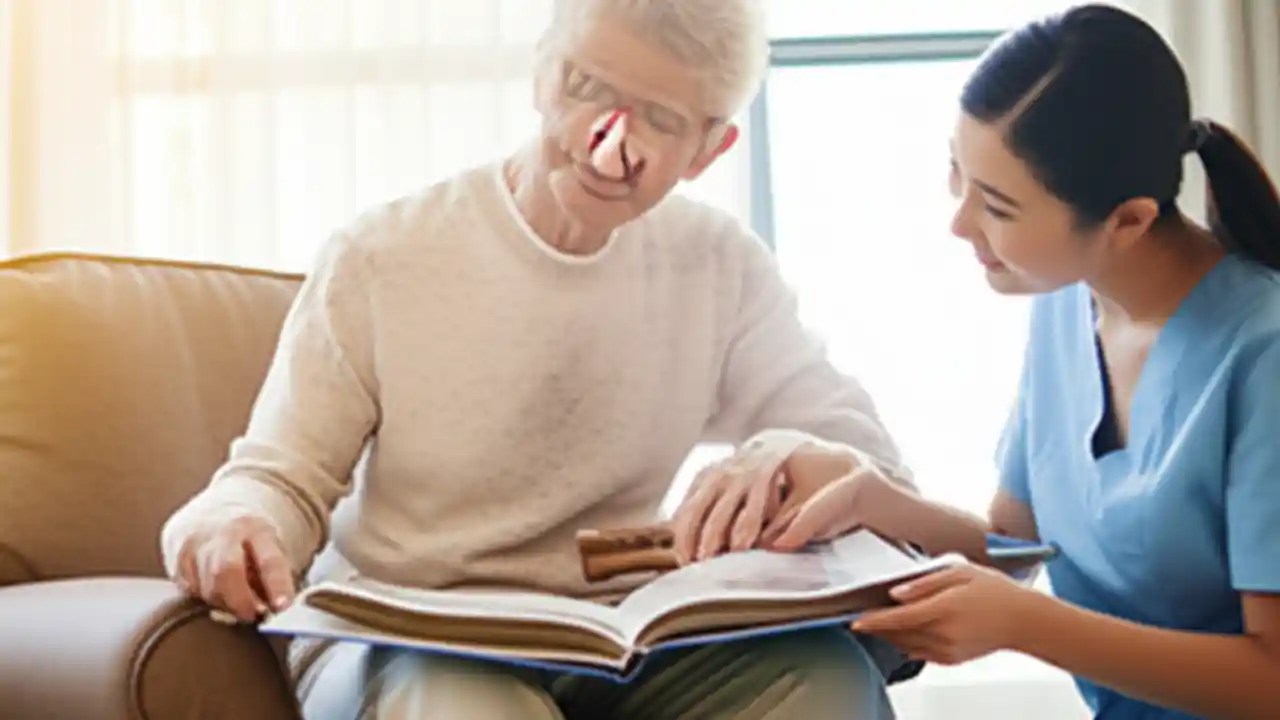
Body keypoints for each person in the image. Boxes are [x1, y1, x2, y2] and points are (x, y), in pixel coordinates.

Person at [161, 0, 916, 717]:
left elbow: (880, 476)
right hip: (411, 642)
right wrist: (231, 523)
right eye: (586, 88)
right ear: (539, 73)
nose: (608, 142)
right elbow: (275, 478)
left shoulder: (719, 267)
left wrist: (795, 453)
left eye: (660, 120)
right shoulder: (384, 256)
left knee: (823, 680)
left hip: (613, 643)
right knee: (466, 703)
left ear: (709, 149)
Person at [677, 4, 1280, 719]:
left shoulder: (1260, 353)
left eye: (997, 205)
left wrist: (1026, 627)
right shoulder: (1068, 300)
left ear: (1129, 221)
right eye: (957, 174)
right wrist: (870, 497)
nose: (959, 222)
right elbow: (1017, 545)